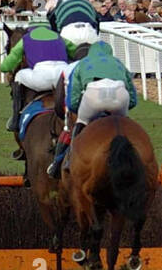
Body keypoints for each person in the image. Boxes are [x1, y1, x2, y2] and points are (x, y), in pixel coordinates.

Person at [47, 39, 138, 176]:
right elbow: (132, 99)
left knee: (79, 124)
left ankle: (65, 161)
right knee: (124, 125)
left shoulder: (81, 64)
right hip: (120, 96)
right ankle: (135, 159)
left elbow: (73, 99)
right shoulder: (119, 64)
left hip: (93, 95)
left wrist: (79, 110)